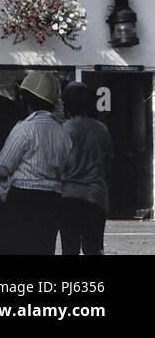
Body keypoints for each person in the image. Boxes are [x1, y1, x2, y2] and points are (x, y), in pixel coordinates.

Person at [0, 71, 72, 255]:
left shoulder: (24, 129)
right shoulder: (63, 132)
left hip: (23, 200)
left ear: (26, 98)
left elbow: (1, 168)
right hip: (53, 201)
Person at [59, 81, 113, 255]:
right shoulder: (101, 129)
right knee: (94, 247)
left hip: (68, 196)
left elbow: (57, 164)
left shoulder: (63, 130)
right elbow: (108, 162)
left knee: (70, 248)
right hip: (95, 195)